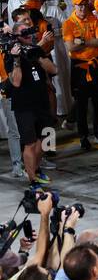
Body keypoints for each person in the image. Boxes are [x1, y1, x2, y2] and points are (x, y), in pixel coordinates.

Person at [3, 18, 57, 186]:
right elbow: (16, 82)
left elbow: (53, 69)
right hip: (24, 106)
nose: (29, 35)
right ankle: (33, 179)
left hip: (41, 102)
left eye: (30, 31)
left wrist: (39, 55)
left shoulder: (36, 49)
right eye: (24, 32)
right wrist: (17, 58)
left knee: (48, 139)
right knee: (30, 143)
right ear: (17, 36)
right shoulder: (10, 54)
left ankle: (34, 167)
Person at [61, 0, 98, 151]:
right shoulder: (68, 23)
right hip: (79, 67)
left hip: (95, 65)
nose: (82, 7)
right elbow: (70, 47)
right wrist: (90, 43)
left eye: (84, 4)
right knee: (81, 105)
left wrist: (82, 41)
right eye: (79, 5)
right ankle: (83, 138)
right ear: (74, 6)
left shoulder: (94, 20)